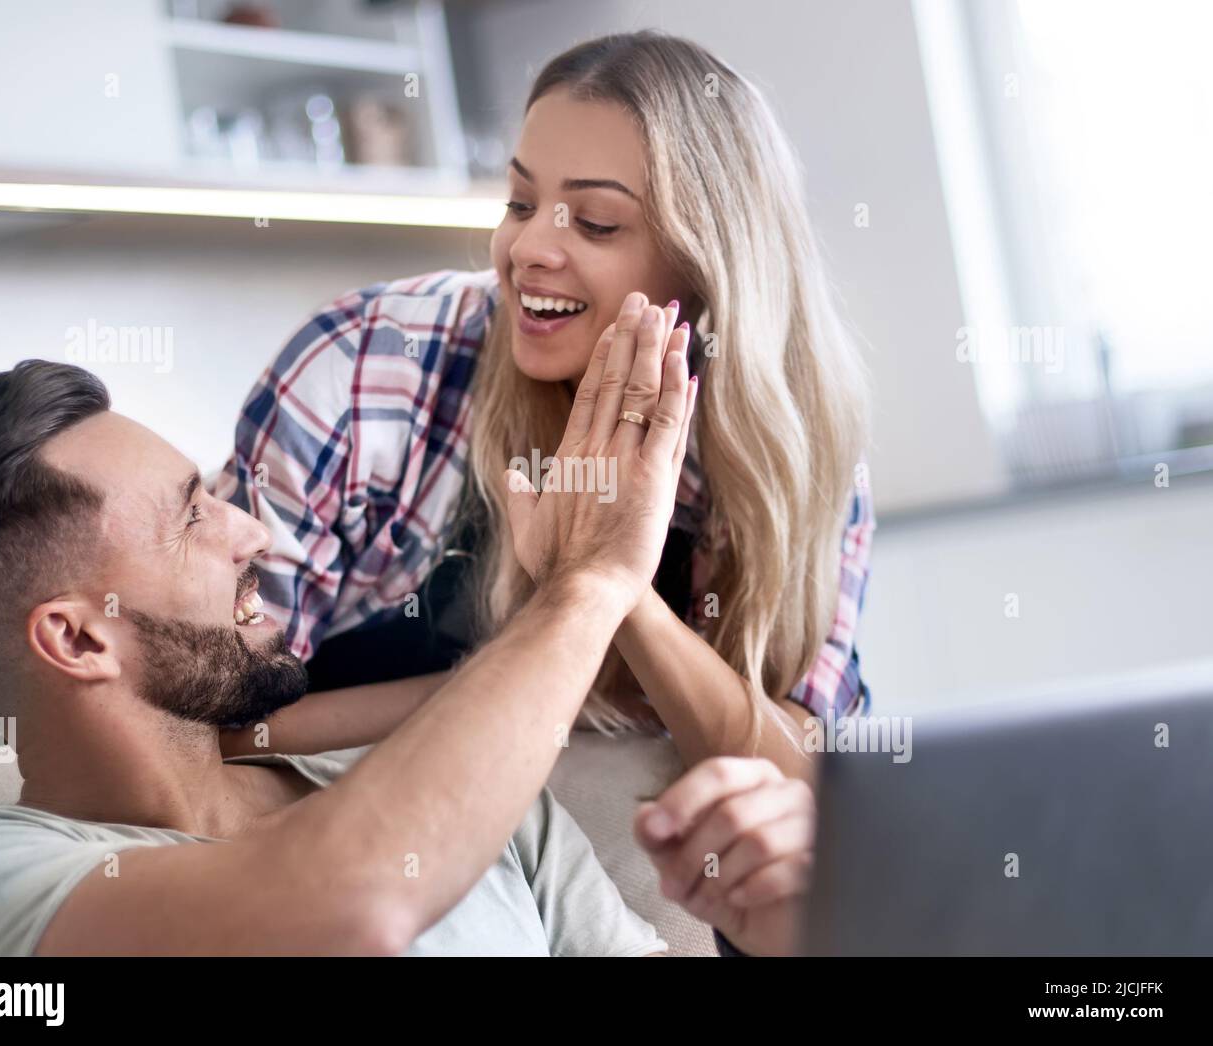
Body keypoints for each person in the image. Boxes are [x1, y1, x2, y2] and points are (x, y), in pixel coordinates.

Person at [0, 301, 812, 956]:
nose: (252, 533)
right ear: (78, 640)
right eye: (193, 517)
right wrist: (586, 586)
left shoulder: (471, 796)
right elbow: (349, 907)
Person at [216, 31, 875, 783]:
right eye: (519, 202)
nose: (527, 246)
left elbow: (806, 772)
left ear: (708, 262)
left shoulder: (798, 443)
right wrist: (524, 677)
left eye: (594, 222)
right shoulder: (367, 366)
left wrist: (609, 589)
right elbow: (224, 734)